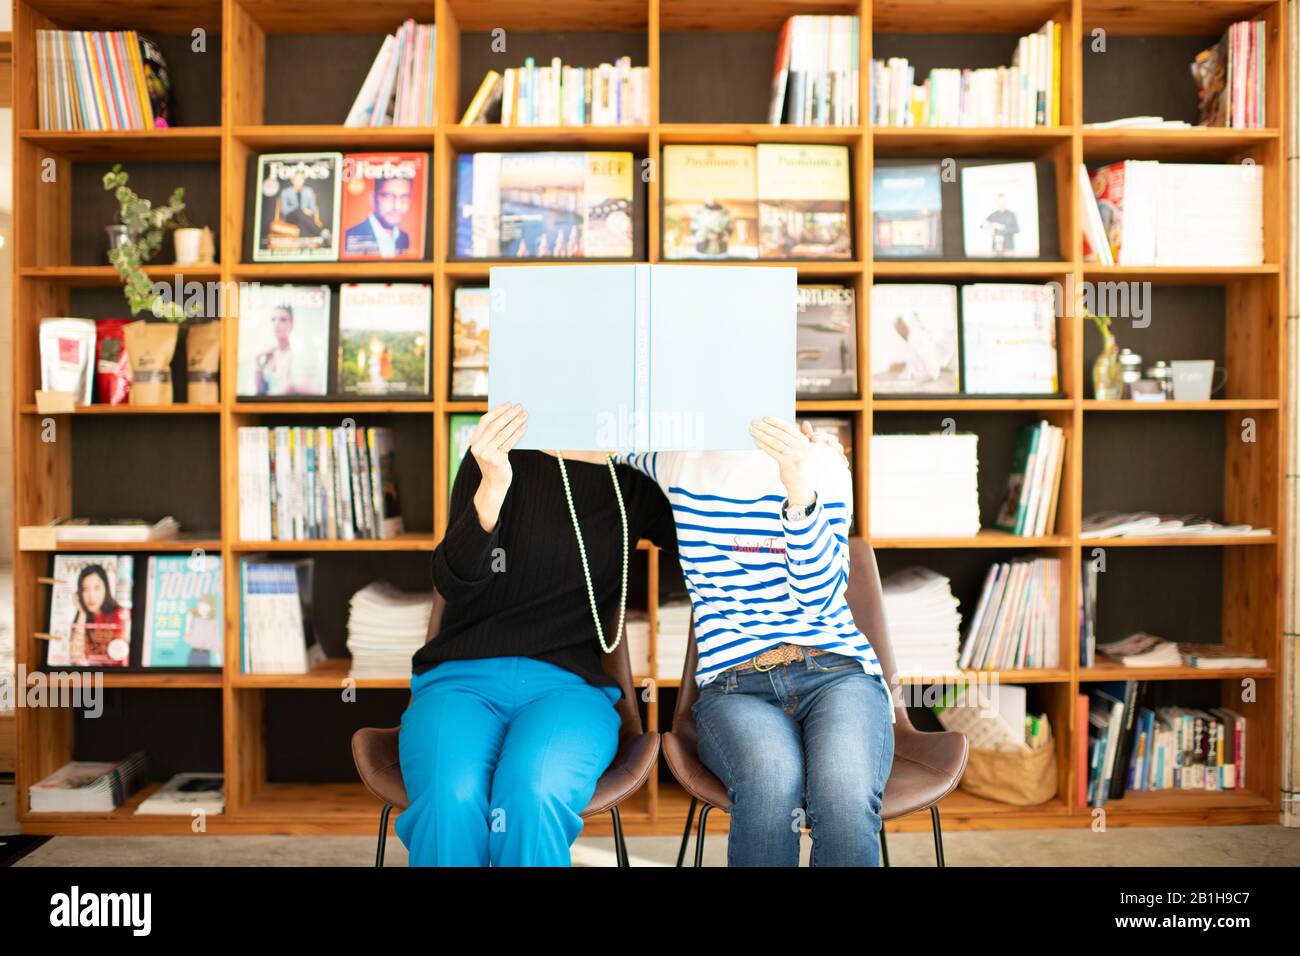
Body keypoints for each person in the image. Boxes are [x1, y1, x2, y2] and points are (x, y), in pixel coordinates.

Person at [573, 418, 894, 866]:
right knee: (770, 783)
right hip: (736, 684)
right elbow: (591, 435)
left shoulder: (821, 463)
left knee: (842, 792)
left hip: (836, 672)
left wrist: (799, 487)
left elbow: (817, 596)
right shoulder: (680, 458)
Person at [396, 403, 676, 866]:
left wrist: (803, 479)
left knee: (531, 793)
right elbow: (455, 581)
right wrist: (493, 485)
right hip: (460, 680)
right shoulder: (495, 456)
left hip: (570, 689)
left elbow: (714, 531)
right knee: (452, 796)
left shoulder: (634, 476)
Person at [71, 563, 131, 667]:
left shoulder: (121, 614)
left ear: (106, 588)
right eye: (85, 589)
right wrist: (82, 612)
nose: (91, 596)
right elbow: (75, 658)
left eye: (97, 588)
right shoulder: (83, 618)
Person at [344, 175, 413, 258]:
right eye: (388, 196)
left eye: (404, 197)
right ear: (373, 199)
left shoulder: (403, 238)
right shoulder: (349, 237)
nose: (397, 207)